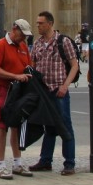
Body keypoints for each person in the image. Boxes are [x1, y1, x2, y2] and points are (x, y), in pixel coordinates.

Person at [29, 11, 77, 175]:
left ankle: (69, 163)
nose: (38, 26)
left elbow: (74, 65)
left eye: (40, 23)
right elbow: (33, 66)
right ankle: (45, 161)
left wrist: (65, 86)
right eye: (37, 23)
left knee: (65, 126)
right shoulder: (37, 43)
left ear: (49, 24)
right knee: (49, 127)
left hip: (58, 90)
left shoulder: (63, 41)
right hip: (44, 91)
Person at [0, 19, 35, 180]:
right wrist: (15, 76)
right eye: (22, 34)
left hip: (18, 91)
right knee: (1, 126)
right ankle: (0, 166)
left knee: (16, 125)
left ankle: (17, 163)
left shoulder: (22, 46)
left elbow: (28, 66)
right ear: (14, 29)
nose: (24, 39)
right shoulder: (1, 45)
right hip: (3, 90)